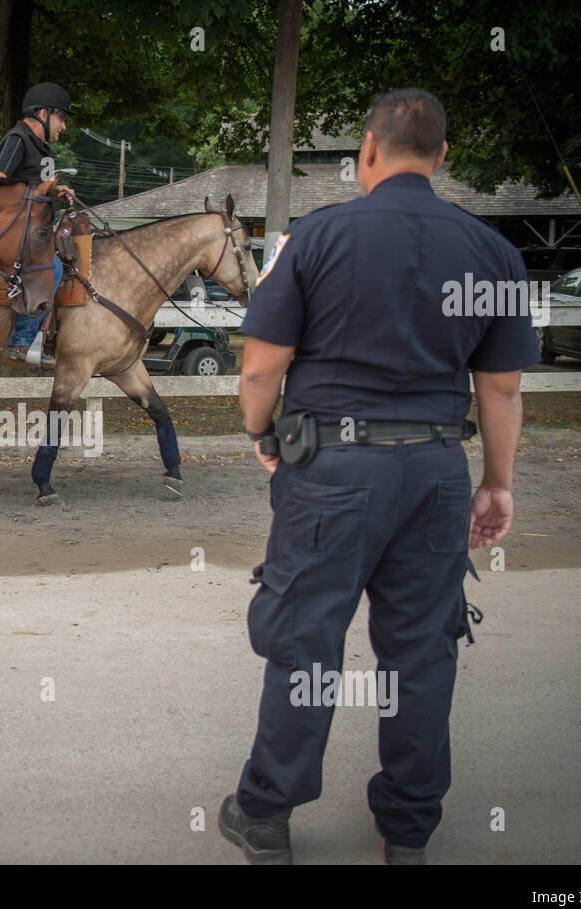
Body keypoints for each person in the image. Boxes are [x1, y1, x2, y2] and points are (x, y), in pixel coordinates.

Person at [220, 88, 538, 865]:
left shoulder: (314, 238)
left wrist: (260, 432)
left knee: (306, 641)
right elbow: (500, 390)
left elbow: (261, 366)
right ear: (442, 159)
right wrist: (497, 483)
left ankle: (266, 812)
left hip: (330, 469)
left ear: (366, 151)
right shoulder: (495, 254)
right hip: (435, 470)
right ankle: (407, 828)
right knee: (424, 651)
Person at [0, 82, 77, 368]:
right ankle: (21, 342)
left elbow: (41, 186)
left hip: (37, 229)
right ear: (43, 113)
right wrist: (38, 193)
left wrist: (56, 191)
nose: (63, 126)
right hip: (14, 227)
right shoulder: (17, 140)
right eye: (61, 118)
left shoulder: (43, 150)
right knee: (50, 268)